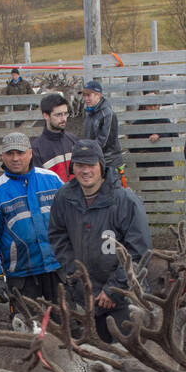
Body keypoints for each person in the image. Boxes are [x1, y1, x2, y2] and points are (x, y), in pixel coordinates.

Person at [48, 139, 151, 342]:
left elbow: (139, 251)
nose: (85, 171)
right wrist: (74, 272)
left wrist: (114, 290)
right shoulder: (64, 197)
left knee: (127, 351)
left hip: (123, 297)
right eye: (79, 165)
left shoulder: (124, 201)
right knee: (99, 353)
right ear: (72, 167)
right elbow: (57, 236)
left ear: (101, 166)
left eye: (91, 165)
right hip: (87, 295)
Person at [0, 132, 65, 321]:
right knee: (26, 329)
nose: (15, 158)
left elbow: (72, 221)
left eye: (20, 152)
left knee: (66, 326)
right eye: (10, 153)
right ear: (3, 156)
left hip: (57, 269)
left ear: (30, 153)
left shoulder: (52, 180)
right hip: (21, 274)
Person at [81, 80, 125, 186]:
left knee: (112, 196)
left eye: (89, 95)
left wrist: (84, 150)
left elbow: (103, 142)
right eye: (84, 95)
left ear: (98, 95)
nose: (86, 99)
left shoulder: (107, 114)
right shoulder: (89, 112)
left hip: (110, 163)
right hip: (95, 161)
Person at [32, 92, 78, 183]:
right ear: (46, 116)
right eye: (58, 114)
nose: (63, 118)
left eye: (65, 114)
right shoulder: (36, 149)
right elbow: (38, 182)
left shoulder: (73, 140)